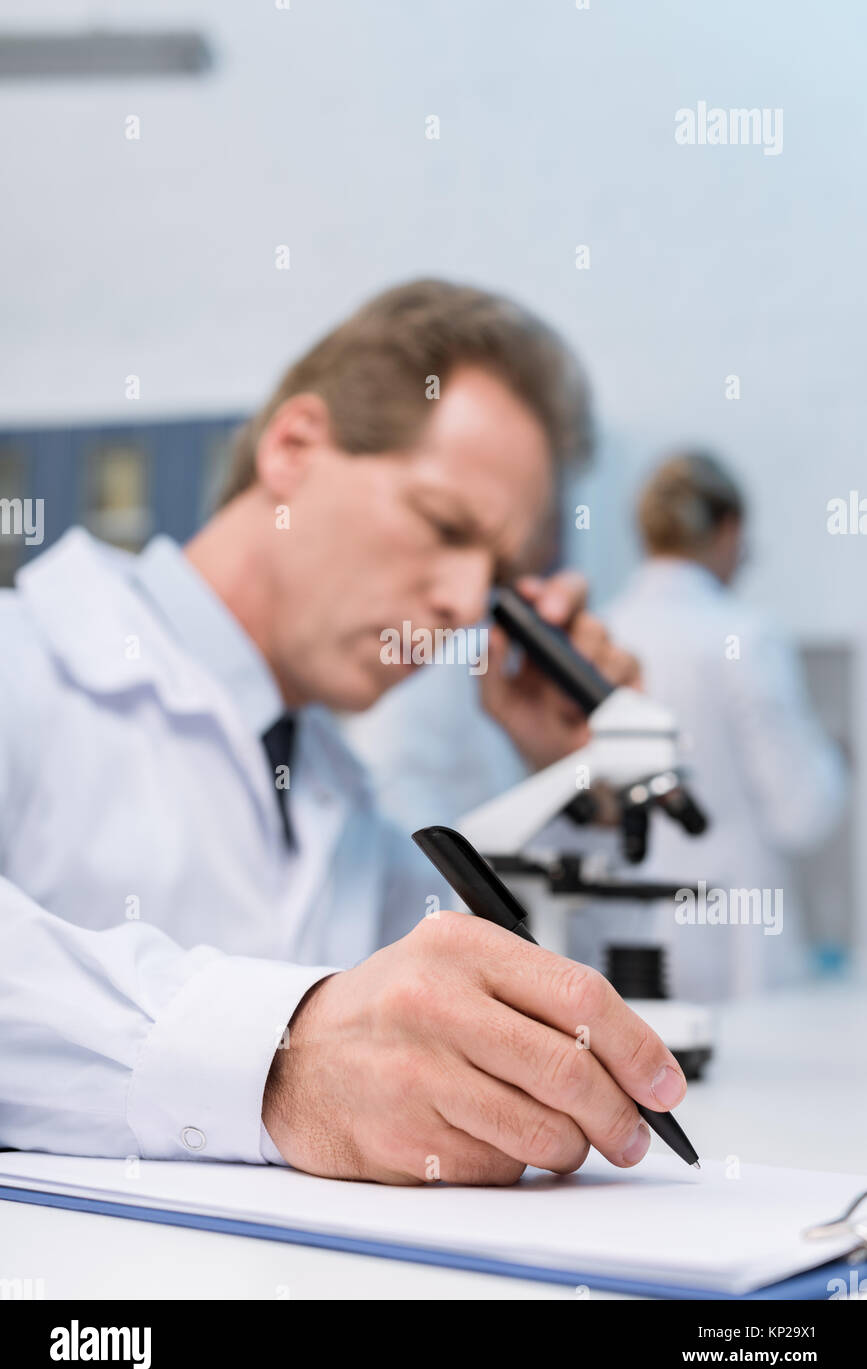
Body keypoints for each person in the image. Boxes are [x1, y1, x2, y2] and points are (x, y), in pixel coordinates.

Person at [0, 279, 685, 1185]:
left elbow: (507, 1032)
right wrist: (285, 1054)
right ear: (293, 448)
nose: (460, 601)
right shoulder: (26, 661)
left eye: (496, 578)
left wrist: (562, 778)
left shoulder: (337, 792)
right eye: (444, 526)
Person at [590, 451, 847, 1000]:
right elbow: (802, 812)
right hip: (741, 951)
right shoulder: (746, 638)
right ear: (730, 530)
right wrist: (836, 760)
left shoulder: (602, 632)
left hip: (625, 942)